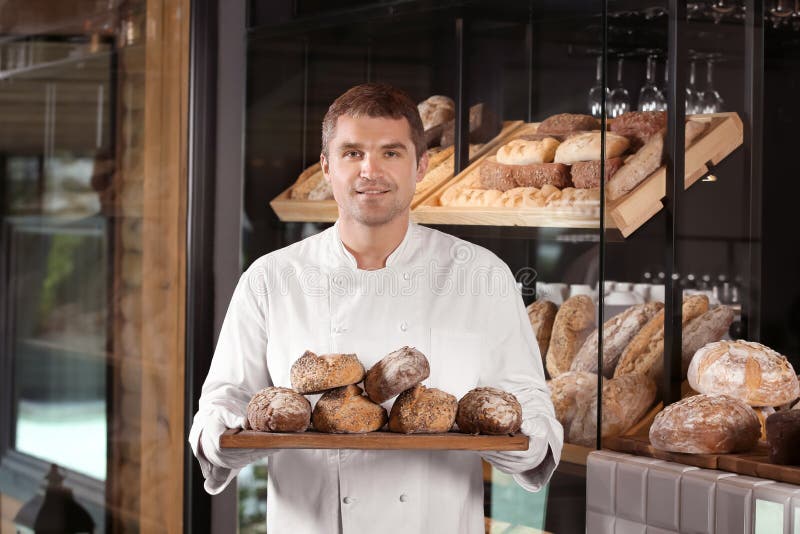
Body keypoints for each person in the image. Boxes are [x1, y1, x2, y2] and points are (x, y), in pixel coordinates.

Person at [189, 83, 563, 534]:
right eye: (351, 153)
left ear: (420, 165)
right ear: (327, 167)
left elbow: (530, 406)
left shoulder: (482, 275)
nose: (371, 170)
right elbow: (223, 402)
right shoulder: (271, 279)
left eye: (391, 152)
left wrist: (524, 439)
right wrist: (223, 437)